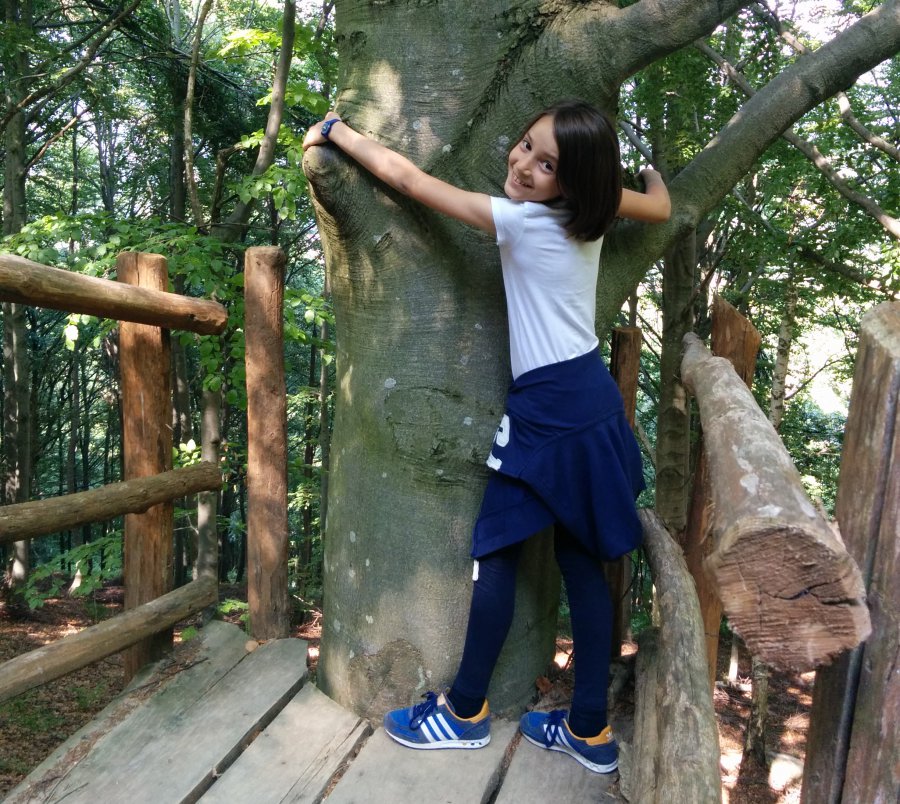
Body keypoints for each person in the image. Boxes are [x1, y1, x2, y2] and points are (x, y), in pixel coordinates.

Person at [303, 100, 670, 774]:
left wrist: (337, 132)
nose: (525, 165)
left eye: (547, 163)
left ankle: (466, 712)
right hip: (587, 401)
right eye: (526, 144)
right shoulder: (590, 211)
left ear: (573, 180)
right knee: (582, 567)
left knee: (497, 550)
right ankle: (589, 730)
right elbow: (660, 207)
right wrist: (649, 176)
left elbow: (414, 184)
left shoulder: (526, 223)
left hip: (549, 410)